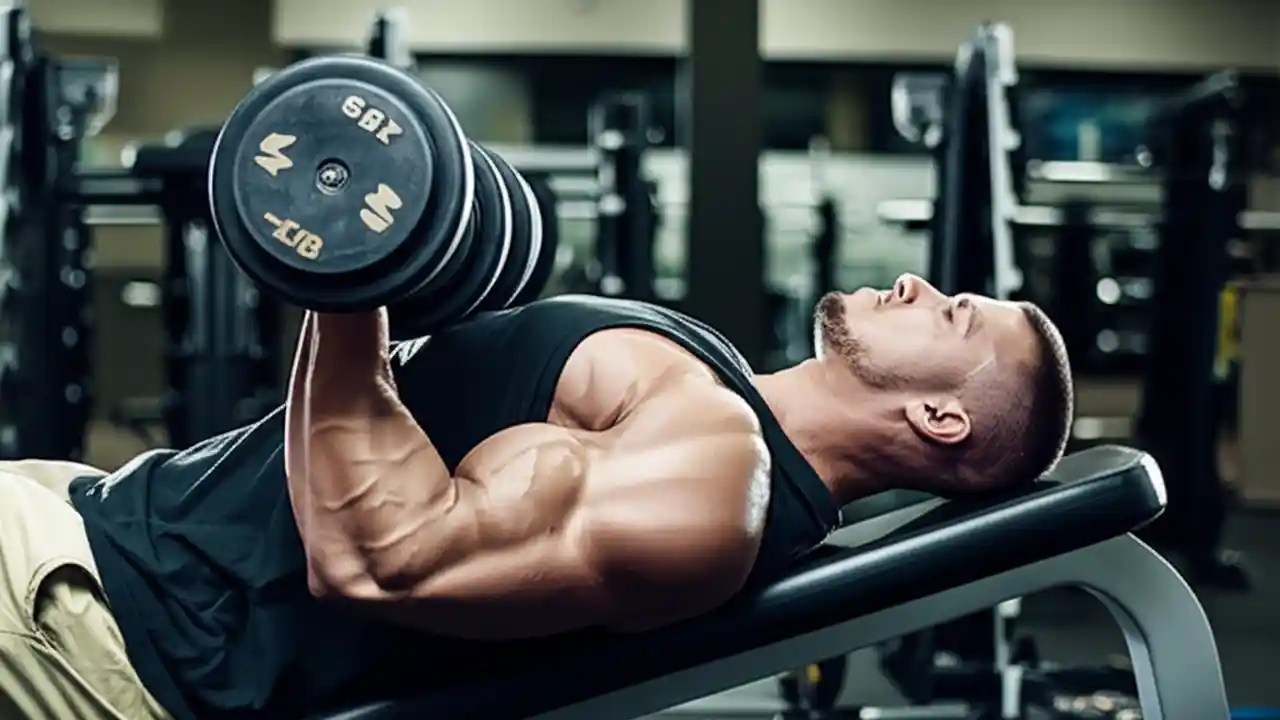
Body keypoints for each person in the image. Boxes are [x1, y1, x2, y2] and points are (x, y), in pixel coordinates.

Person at [0, 274, 1073, 720]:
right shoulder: (712, 399)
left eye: (953, 315)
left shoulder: (709, 481)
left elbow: (383, 556)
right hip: (105, 531)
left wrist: (346, 282)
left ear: (941, 419)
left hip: (107, 626)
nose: (919, 286)